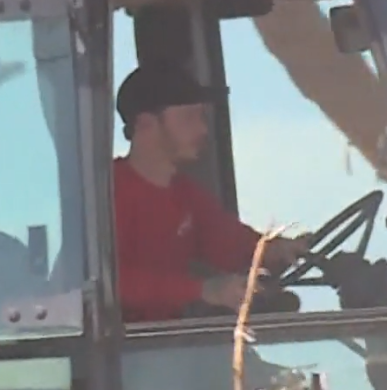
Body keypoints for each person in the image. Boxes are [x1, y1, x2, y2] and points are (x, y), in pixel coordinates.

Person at [112, 61, 308, 323]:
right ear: (146, 124)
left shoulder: (185, 195)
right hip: (125, 343)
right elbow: (110, 284)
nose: (203, 129)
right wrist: (204, 291)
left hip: (170, 340)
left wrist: (274, 250)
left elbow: (229, 243)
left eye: (202, 117)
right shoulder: (110, 194)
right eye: (188, 118)